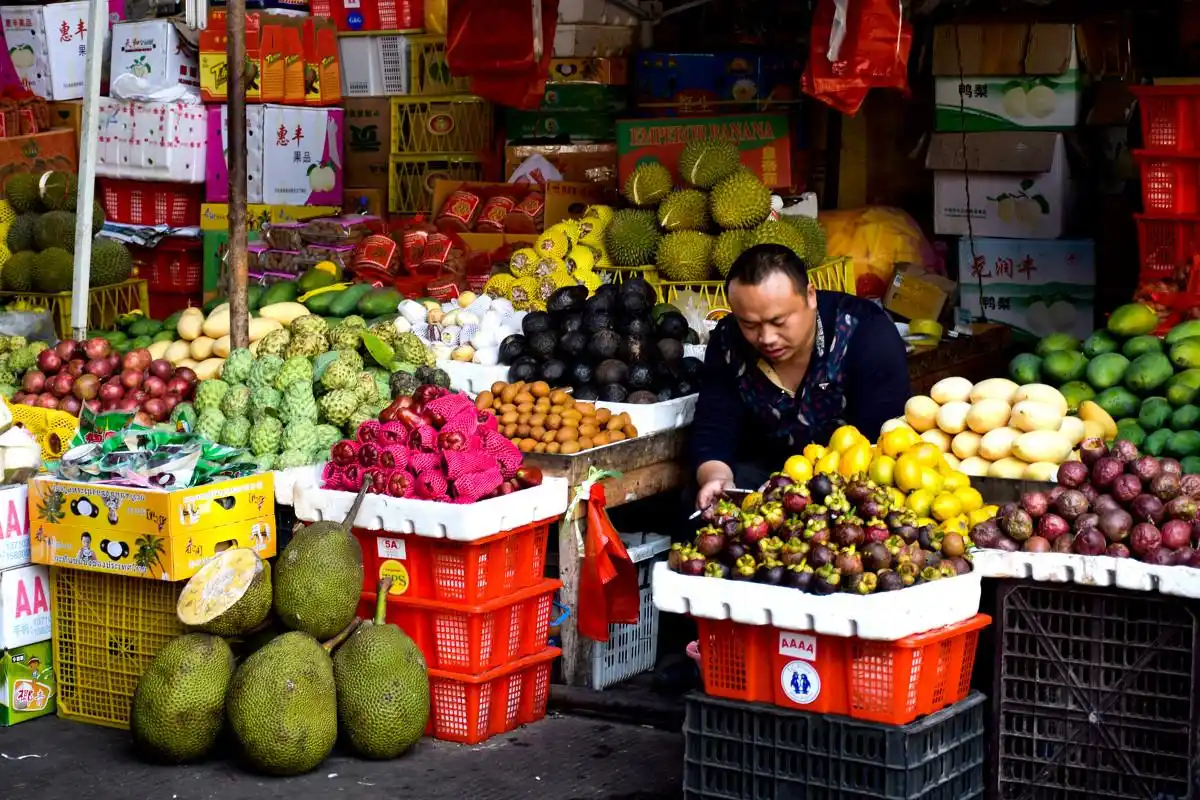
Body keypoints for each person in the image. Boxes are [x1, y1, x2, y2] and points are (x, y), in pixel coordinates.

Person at [692, 243, 909, 510]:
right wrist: (717, 477)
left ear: (810, 296)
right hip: (764, 477)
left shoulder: (867, 335)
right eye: (750, 324)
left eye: (778, 322)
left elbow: (882, 443)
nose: (767, 338)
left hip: (850, 487)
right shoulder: (729, 340)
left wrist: (803, 490)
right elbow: (715, 423)